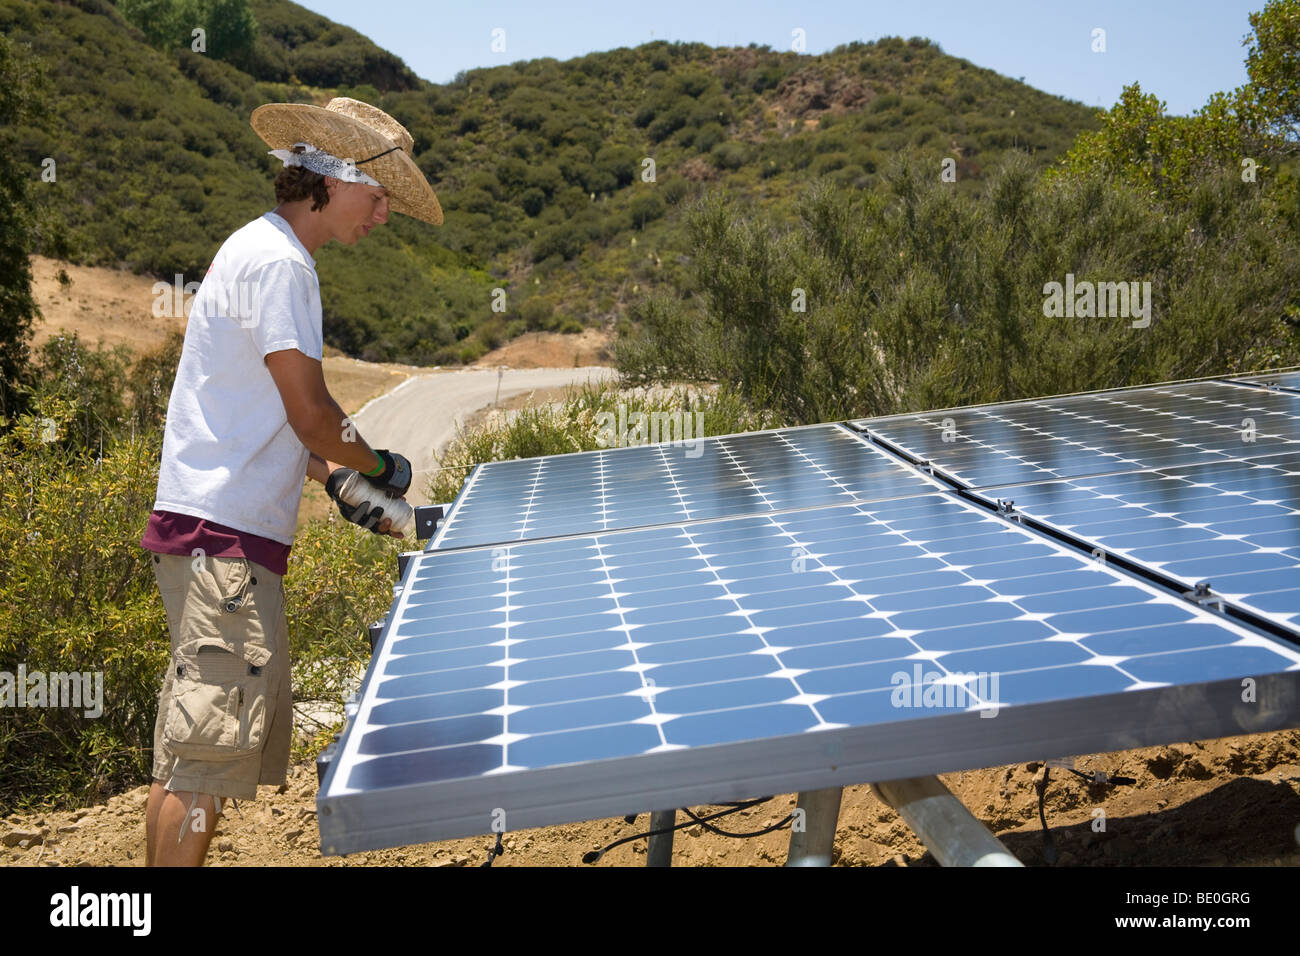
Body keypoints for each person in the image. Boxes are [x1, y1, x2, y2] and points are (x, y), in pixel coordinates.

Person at [140, 97, 443, 866]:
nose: (382, 217)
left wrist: (332, 480)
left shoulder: (259, 249)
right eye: (379, 199)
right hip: (225, 544)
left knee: (196, 752)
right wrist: (378, 466)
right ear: (336, 180)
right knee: (205, 759)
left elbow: (268, 416)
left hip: (214, 536)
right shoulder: (280, 265)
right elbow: (311, 412)